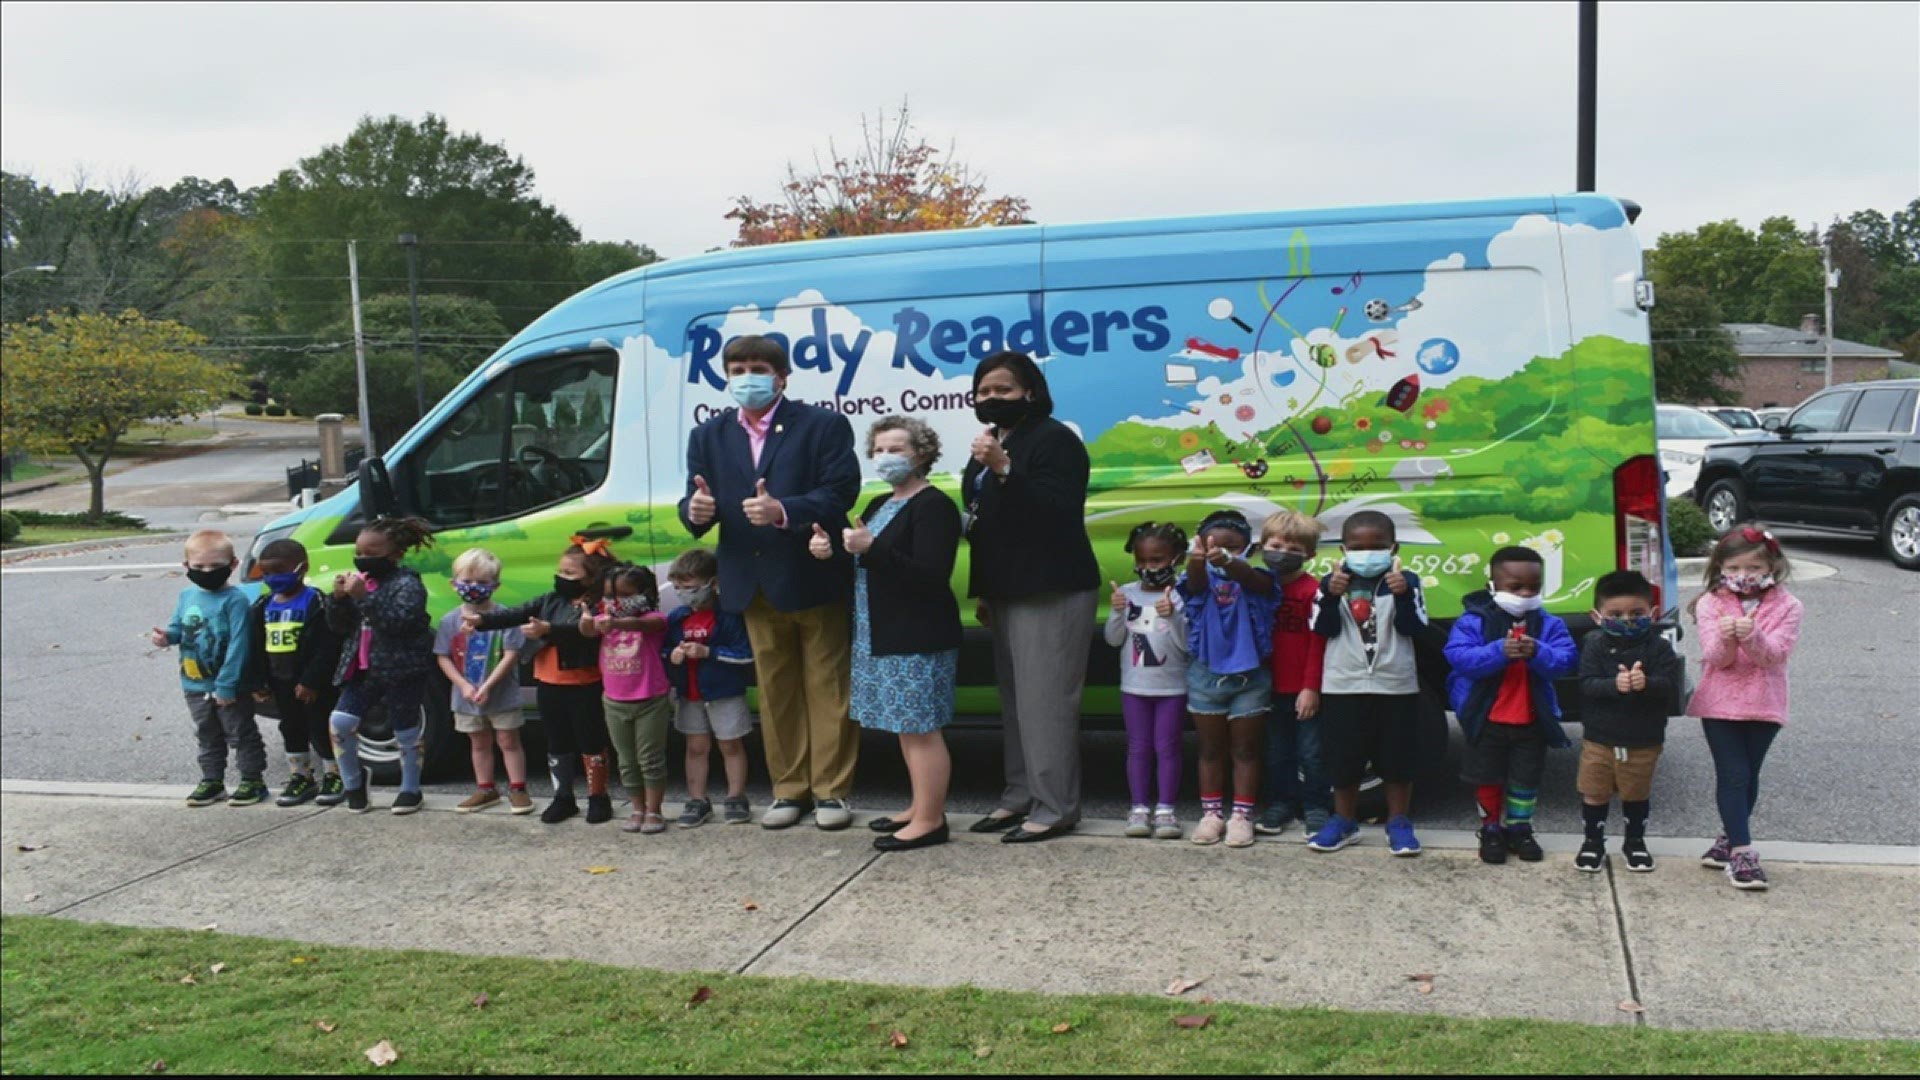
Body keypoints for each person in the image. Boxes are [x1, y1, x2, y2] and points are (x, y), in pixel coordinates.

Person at [679, 335, 862, 831]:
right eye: (737, 368)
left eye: (757, 367)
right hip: (749, 582)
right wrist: (693, 512)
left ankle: (831, 792)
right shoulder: (709, 435)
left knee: (827, 687)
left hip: (811, 573)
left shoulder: (822, 425)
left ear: (782, 376)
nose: (747, 377)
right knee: (777, 691)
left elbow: (841, 490)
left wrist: (784, 510)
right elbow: (695, 502)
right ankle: (789, 789)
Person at [962, 351, 1102, 844]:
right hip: (1007, 591)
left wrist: (1004, 470)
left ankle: (1056, 806)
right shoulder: (995, 442)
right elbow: (984, 523)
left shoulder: (1054, 440)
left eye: (1004, 389)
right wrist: (986, 591)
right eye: (984, 391)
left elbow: (1055, 513)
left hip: (1051, 588)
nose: (992, 398)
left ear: (1031, 391)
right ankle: (1020, 795)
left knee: (1045, 704)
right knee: (1017, 703)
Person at [810, 416, 963, 852]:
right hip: (880, 633)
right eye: (878, 450)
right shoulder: (878, 504)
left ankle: (931, 820)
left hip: (917, 633)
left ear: (921, 454)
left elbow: (931, 575)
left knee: (921, 729)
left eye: (896, 449)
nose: (886, 458)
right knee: (905, 728)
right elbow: (863, 562)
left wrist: (872, 549)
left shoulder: (935, 506)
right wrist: (828, 552)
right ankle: (919, 807)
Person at [466, 536, 619, 825]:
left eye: (570, 573)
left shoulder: (596, 606)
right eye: (560, 571)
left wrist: (548, 629)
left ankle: (598, 797)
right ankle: (563, 797)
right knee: (557, 742)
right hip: (548, 683)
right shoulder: (549, 600)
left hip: (585, 683)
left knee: (591, 741)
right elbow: (515, 613)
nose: (562, 578)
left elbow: (583, 633)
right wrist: (483, 621)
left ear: (591, 579)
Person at [1444, 546, 1580, 865]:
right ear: (1492, 584)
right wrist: (1498, 651)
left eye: (1534, 587)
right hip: (1486, 718)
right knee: (1486, 777)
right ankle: (1490, 829)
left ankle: (1520, 828)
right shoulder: (1473, 621)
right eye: (1515, 587)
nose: (1525, 594)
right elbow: (1459, 658)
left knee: (1526, 779)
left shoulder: (1549, 625)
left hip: (1530, 720)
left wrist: (1539, 652)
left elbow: (1566, 660)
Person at [1307, 510, 1430, 856]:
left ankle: (1399, 822)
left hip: (1395, 686)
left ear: (1394, 547)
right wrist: (1331, 596)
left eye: (1377, 546)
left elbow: (1415, 627)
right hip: (1344, 686)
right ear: (1344, 549)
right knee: (1344, 759)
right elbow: (1321, 629)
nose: (1367, 552)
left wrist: (1404, 594)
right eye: (1358, 547)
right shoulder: (1331, 582)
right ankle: (1344, 821)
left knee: (1397, 758)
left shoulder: (1407, 580)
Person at [1686, 524, 1802, 891]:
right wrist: (1726, 634)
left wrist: (1751, 635)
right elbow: (1716, 659)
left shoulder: (1789, 606)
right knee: (1733, 774)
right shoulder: (1711, 603)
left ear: (1771, 566)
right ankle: (1743, 854)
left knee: (1749, 776)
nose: (1743, 576)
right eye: (1734, 569)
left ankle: (1727, 840)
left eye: (1752, 568)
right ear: (1720, 567)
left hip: (1764, 702)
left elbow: (1775, 656)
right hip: (1719, 703)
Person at [1179, 508, 1279, 848]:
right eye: (1212, 546)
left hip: (1251, 678)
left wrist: (1227, 561)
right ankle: (1211, 815)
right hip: (1205, 677)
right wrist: (1198, 559)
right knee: (1209, 749)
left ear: (1248, 549)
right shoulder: (1197, 578)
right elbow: (1194, 583)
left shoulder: (1259, 578)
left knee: (1246, 750)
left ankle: (1242, 816)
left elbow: (1254, 581)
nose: (1221, 552)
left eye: (1233, 546)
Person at [326, 516, 437, 815]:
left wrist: (364, 598)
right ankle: (354, 784)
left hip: (402, 669)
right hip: (362, 669)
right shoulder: (359, 583)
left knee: (406, 730)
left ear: (395, 555)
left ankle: (411, 788)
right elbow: (338, 627)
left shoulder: (407, 584)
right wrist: (336, 600)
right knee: (340, 723)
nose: (363, 560)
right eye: (359, 553)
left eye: (372, 554)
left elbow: (399, 623)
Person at [1575, 569, 1682, 873]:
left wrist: (1646, 682)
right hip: (1599, 737)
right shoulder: (1593, 644)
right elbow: (1586, 684)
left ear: (1653, 612)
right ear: (1597, 616)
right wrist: (1614, 685)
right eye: (1616, 614)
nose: (1627, 619)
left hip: (1643, 738)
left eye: (1637, 613)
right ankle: (1592, 843)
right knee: (1594, 792)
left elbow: (1671, 687)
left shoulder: (1659, 647)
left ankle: (1635, 842)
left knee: (1636, 794)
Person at [150, 530, 263, 808]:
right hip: (195, 682)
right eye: (199, 567)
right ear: (186, 566)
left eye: (215, 566)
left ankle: (252, 779)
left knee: (240, 731)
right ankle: (212, 780)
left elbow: (240, 643)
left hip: (229, 685)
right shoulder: (187, 596)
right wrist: (167, 637)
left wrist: (227, 684)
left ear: (233, 565)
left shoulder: (234, 600)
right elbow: (180, 628)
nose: (207, 571)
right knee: (206, 732)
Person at [1104, 521, 1190, 841]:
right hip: (1135, 687)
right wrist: (1116, 613)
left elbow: (1186, 646)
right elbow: (1113, 640)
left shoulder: (1181, 595)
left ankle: (1166, 808)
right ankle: (1138, 807)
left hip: (1171, 688)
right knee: (1138, 748)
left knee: (1168, 747)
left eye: (1156, 561)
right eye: (1141, 561)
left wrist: (1172, 616)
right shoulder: (1127, 593)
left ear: (1176, 559)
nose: (1147, 567)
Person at [246, 538, 345, 807]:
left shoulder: (316, 603)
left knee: (320, 727)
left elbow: (327, 648)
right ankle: (301, 776)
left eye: (279, 571)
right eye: (266, 573)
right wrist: (258, 681)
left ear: (302, 568)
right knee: (291, 727)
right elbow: (256, 647)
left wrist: (311, 681)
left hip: (312, 685)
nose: (273, 578)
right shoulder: (262, 607)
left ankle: (334, 774)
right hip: (280, 681)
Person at [433, 548, 532, 815]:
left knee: (508, 740)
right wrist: (464, 685)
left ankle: (518, 788)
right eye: (467, 581)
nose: (474, 588)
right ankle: (485, 788)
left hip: (502, 694)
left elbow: (511, 654)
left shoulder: (505, 618)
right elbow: (443, 657)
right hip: (465, 697)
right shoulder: (449, 621)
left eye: (482, 582)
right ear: (454, 584)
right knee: (478, 742)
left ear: (495, 585)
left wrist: (487, 686)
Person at [661, 548, 756, 827]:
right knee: (696, 746)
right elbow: (664, 650)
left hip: (724, 692)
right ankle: (697, 799)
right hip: (689, 694)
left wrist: (708, 653)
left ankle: (736, 796)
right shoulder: (677, 618)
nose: (683, 594)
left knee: (730, 744)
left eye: (689, 588)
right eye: (678, 588)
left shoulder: (729, 615)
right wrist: (673, 656)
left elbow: (746, 653)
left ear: (712, 583)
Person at [1257, 510, 1330, 839]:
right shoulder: (1256, 586)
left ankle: (1316, 807)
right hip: (1265, 687)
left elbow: (1318, 644)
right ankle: (1280, 804)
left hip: (1302, 689)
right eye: (1276, 545)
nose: (1283, 553)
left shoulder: (1312, 591)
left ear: (1310, 555)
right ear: (1262, 546)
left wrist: (1310, 688)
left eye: (1294, 549)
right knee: (1276, 753)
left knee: (1312, 753)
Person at [591, 563, 674, 834]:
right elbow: (586, 630)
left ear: (644, 593)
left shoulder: (655, 619)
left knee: (650, 758)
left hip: (650, 699)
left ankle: (654, 810)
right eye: (610, 595)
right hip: (614, 700)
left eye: (625, 595)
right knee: (626, 760)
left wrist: (615, 622)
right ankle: (637, 809)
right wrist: (587, 620)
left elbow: (643, 623)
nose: (616, 602)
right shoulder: (603, 619)